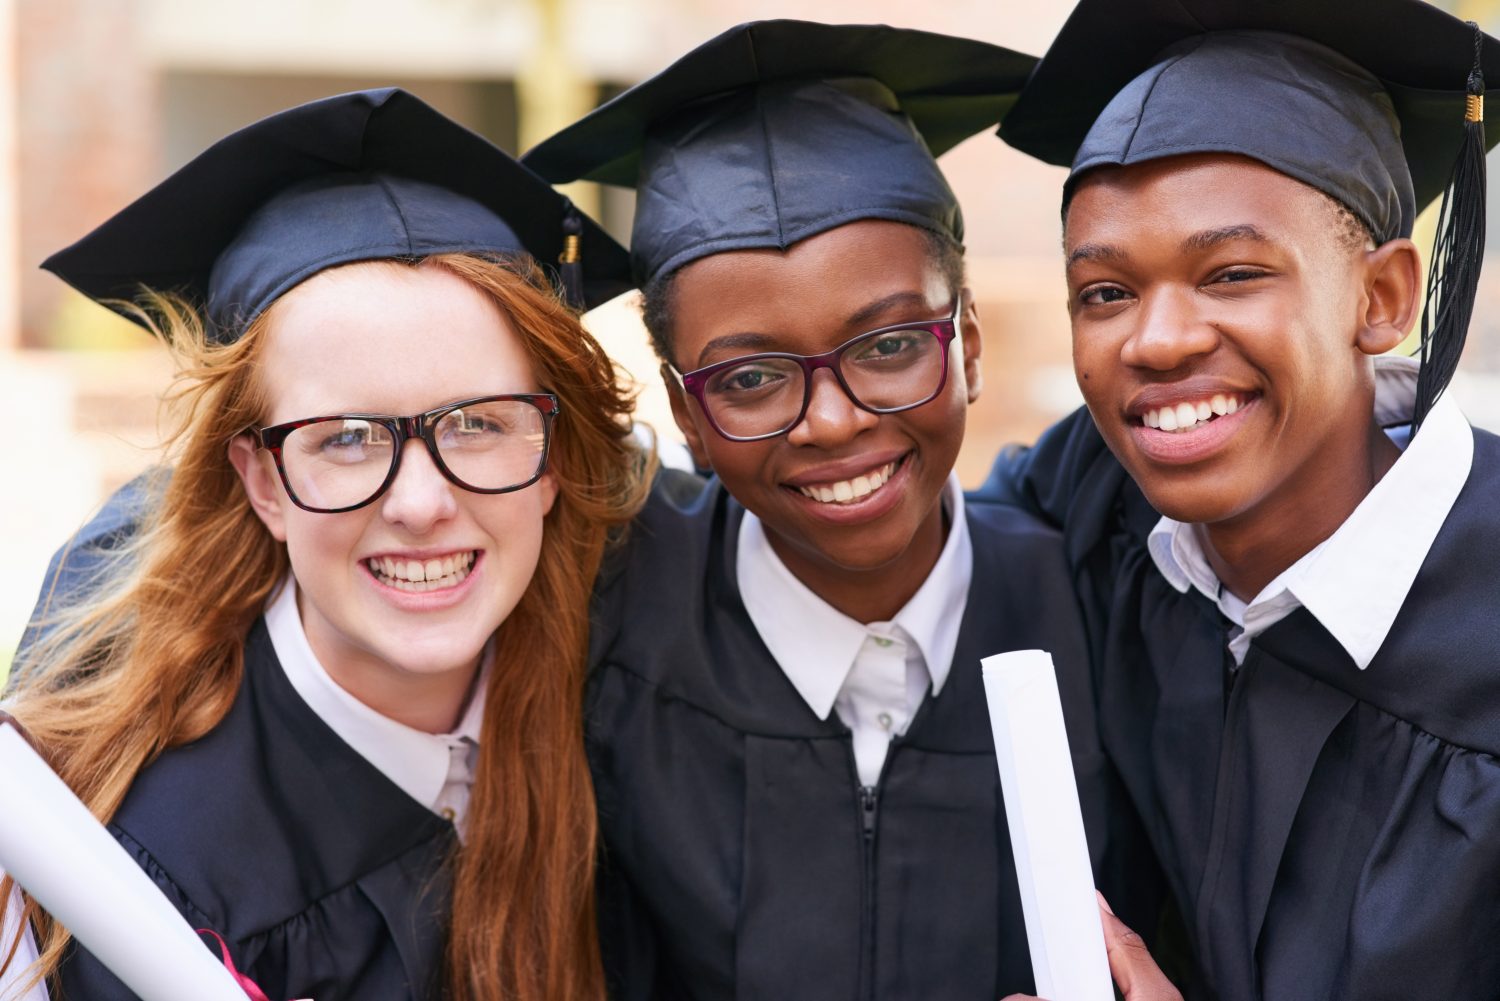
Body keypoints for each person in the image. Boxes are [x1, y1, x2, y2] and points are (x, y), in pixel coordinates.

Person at [523, 20, 1163, 1000]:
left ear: (972, 344)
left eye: (890, 345)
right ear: (686, 409)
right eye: (749, 376)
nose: (831, 420)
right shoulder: (610, 625)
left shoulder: (1102, 612)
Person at [1, 88, 647, 1001]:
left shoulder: (643, 683)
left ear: (552, 458)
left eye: (477, 424)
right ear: (262, 481)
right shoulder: (163, 872)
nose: (421, 503)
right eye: (345, 437)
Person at [984, 1, 1500, 998]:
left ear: (1383, 298)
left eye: (1232, 273)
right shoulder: (1102, 506)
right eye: (1105, 291)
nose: (1158, 339)